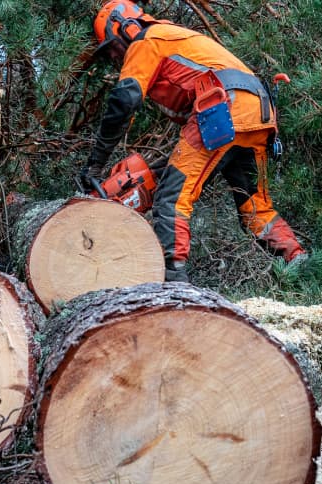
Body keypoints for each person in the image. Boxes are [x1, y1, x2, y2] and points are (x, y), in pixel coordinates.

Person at [81, 0, 308, 282]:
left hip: (222, 109)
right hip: (257, 114)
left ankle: (175, 282)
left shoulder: (147, 41)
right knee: (254, 205)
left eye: (114, 47)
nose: (115, 56)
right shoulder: (174, 38)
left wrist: (95, 164)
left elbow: (124, 102)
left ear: (125, 28)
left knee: (171, 198)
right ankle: (298, 261)